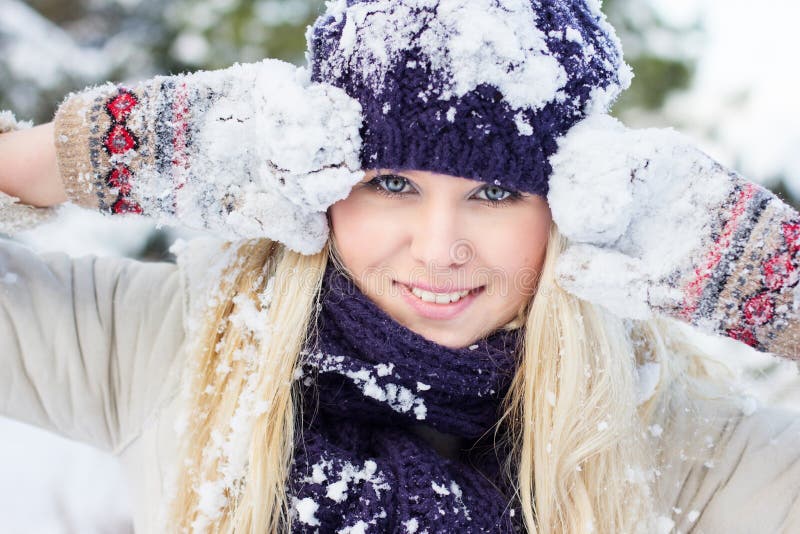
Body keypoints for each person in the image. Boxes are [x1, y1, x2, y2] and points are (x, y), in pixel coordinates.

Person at [1, 1, 799, 533]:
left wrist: (773, 280)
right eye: (391, 183)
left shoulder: (666, 438)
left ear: (572, 208)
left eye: (495, 191)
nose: (437, 246)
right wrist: (91, 152)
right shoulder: (173, 347)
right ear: (310, 181)